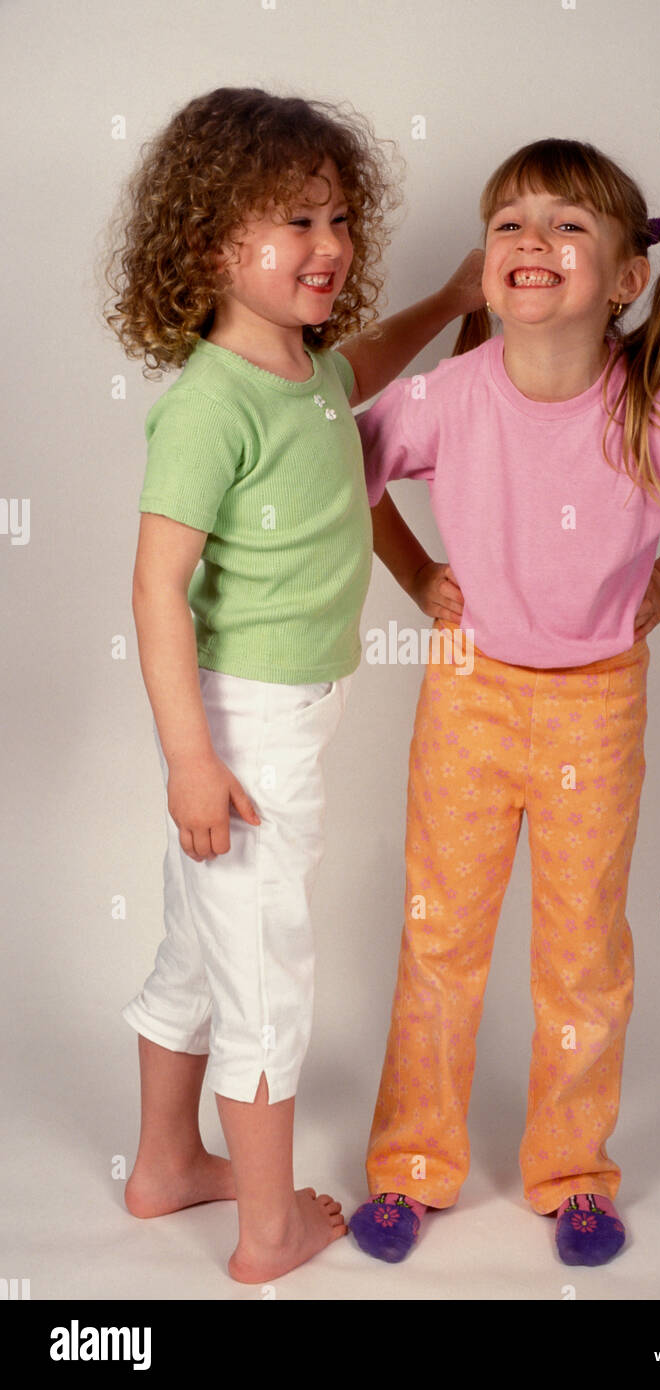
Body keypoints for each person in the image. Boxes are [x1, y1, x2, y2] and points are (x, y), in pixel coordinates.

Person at [347, 137, 660, 1267]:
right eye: (506, 224)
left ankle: (572, 1169)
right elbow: (342, 466)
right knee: (441, 936)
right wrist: (414, 575)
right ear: (486, 264)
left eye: (564, 225)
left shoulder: (656, 412)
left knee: (581, 950)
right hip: (466, 696)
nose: (529, 242)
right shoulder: (445, 394)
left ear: (627, 279)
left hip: (597, 705)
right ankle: (407, 1163)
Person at [100, 85, 483, 1283]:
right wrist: (191, 761)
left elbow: (360, 369)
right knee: (265, 977)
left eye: (336, 220)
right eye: (294, 225)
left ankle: (167, 1165)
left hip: (276, 724)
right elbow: (155, 587)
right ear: (215, 245)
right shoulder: (210, 406)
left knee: (192, 953)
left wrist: (455, 300)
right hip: (242, 737)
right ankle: (268, 1236)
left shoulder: (306, 371)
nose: (329, 248)